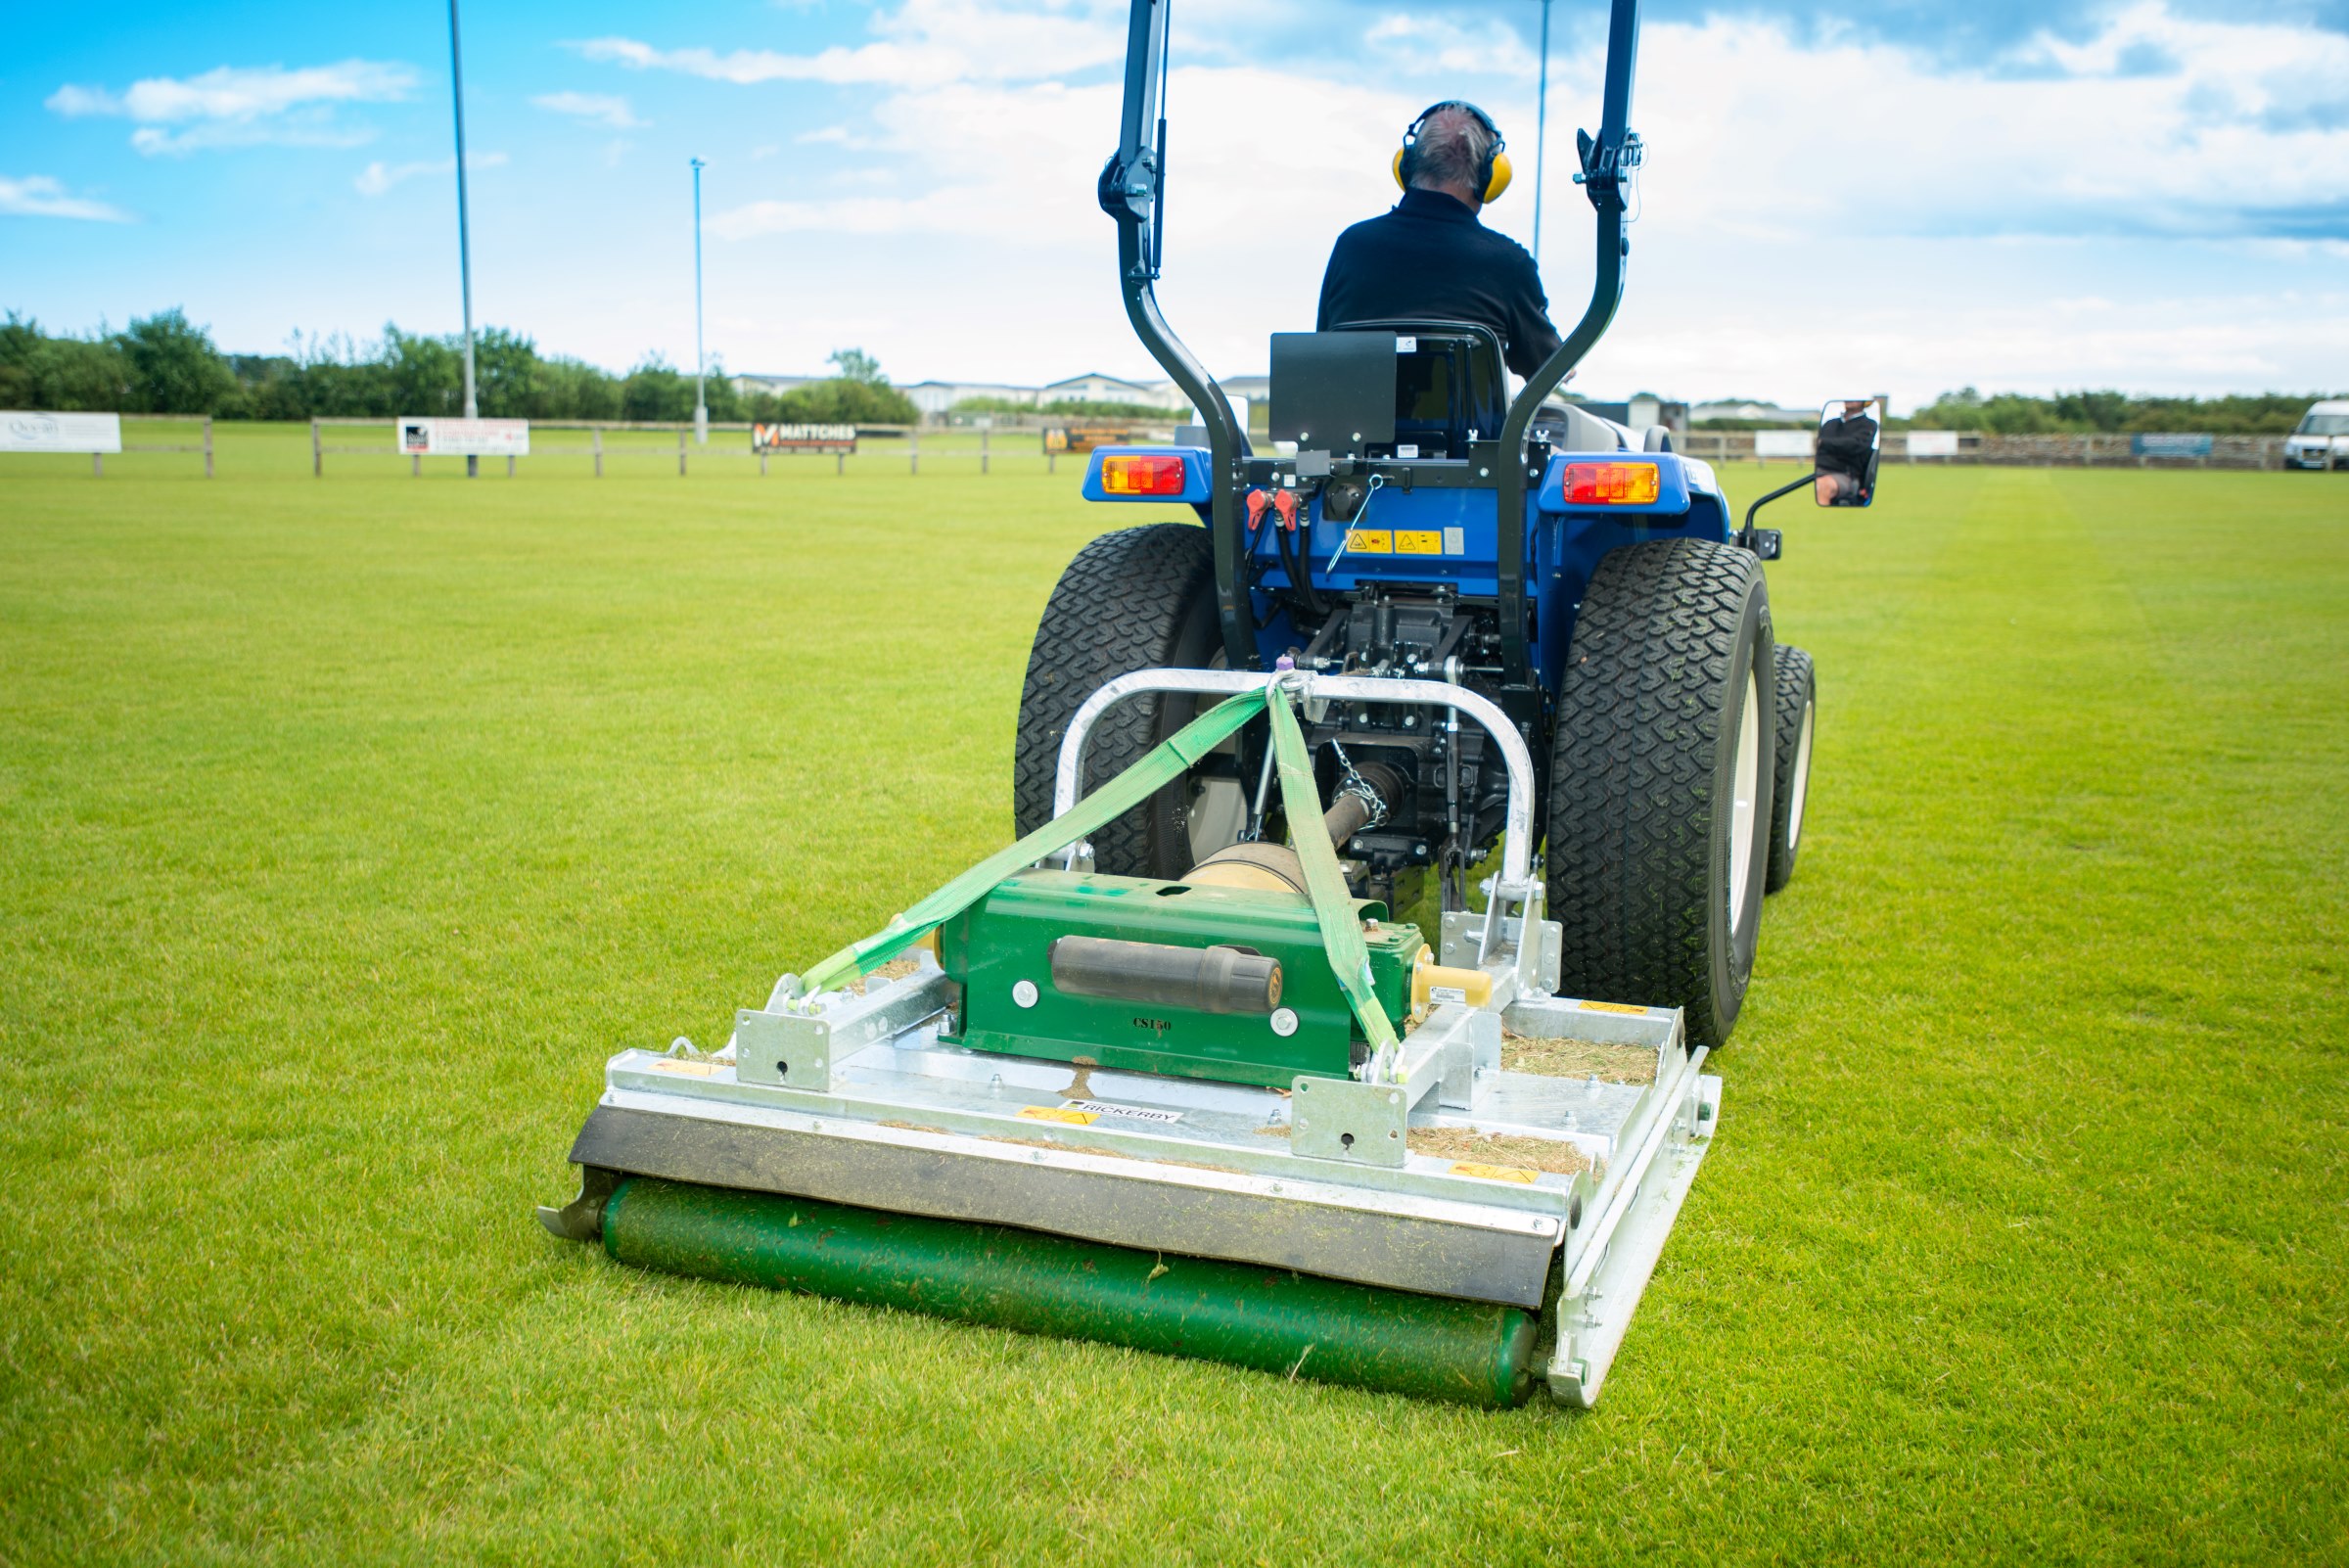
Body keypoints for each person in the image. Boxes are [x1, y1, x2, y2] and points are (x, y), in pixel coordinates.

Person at [1316, 103, 1563, 380]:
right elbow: (1550, 369)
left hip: (1359, 410)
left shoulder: (1351, 246)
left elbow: (1323, 352)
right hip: (1468, 413)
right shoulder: (1509, 263)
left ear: (1407, 165)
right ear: (1489, 176)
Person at [1814, 399, 1878, 504]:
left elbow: (1854, 446)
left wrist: (1825, 443)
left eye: (1855, 398)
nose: (1850, 400)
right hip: (1819, 470)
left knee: (1823, 486)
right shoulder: (1830, 423)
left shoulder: (1868, 424)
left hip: (1846, 475)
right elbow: (1820, 447)